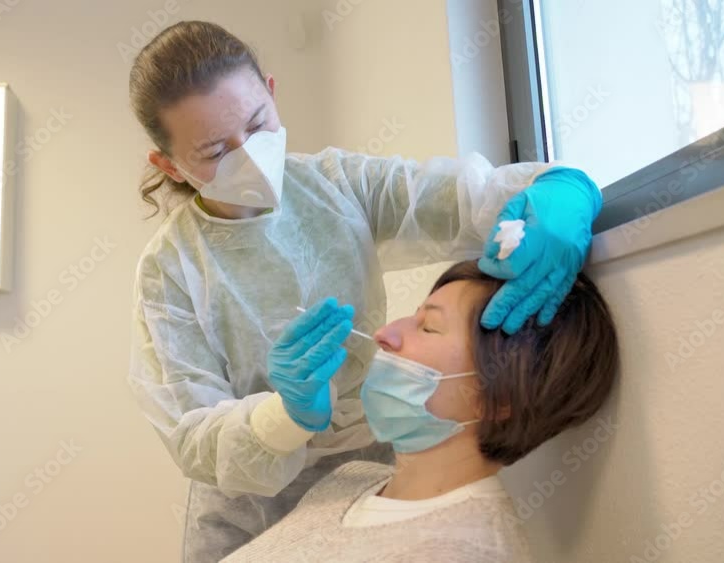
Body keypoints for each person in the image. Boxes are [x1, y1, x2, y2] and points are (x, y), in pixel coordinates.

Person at [127, 20, 605, 561]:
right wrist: (286, 415)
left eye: (259, 124)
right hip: (250, 500)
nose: (248, 154)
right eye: (214, 151)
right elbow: (193, 430)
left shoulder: (339, 184)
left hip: (367, 464)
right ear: (169, 165)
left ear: (272, 93)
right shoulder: (170, 268)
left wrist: (563, 189)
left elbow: (464, 200)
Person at [221, 260, 621, 562]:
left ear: (500, 398)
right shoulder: (352, 479)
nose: (384, 333)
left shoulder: (463, 550)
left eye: (427, 327)